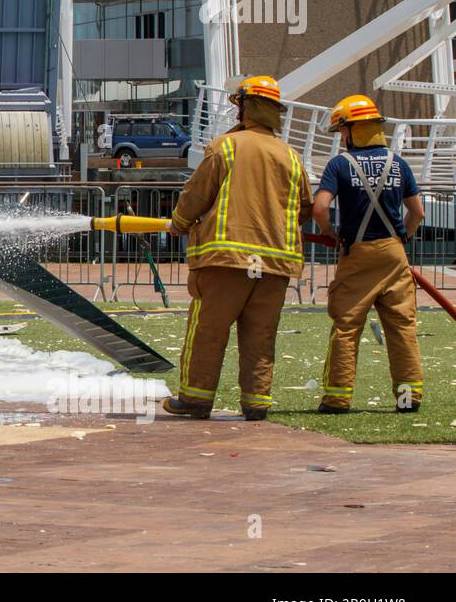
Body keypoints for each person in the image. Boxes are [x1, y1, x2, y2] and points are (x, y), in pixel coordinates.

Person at [163, 75, 312, 421]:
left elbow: (196, 196)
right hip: (274, 265)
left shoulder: (225, 147)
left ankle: (196, 399)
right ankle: (256, 403)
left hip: (227, 261)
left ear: (248, 107)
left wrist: (179, 224)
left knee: (208, 330)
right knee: (260, 335)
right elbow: (303, 208)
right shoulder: (290, 156)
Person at [312, 94, 424, 414]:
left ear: (354, 130)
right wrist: (402, 237)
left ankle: (337, 399)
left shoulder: (340, 165)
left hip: (357, 254)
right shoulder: (398, 163)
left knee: (347, 326)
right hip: (393, 254)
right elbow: (417, 212)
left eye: (343, 132)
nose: (342, 139)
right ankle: (408, 398)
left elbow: (320, 208)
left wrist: (329, 233)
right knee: (401, 327)